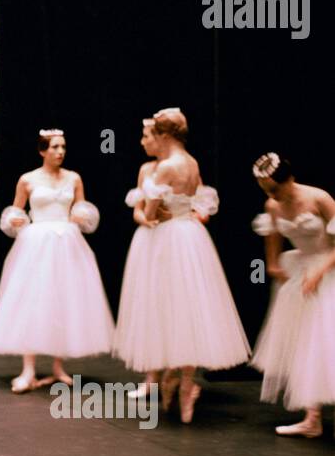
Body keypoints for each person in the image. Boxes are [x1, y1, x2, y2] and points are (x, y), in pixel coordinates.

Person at [114, 107, 248, 422]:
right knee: (188, 308)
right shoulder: (192, 163)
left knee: (166, 305)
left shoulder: (164, 169)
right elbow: (201, 201)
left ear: (164, 135)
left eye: (154, 135)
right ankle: (186, 384)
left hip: (166, 238)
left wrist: (153, 213)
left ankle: (172, 378)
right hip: (190, 235)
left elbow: (148, 214)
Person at [0, 129, 114, 392]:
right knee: (33, 298)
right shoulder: (28, 180)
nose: (60, 152)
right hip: (37, 242)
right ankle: (28, 369)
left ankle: (58, 366)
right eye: (54, 147)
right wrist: (16, 220)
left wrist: (81, 216)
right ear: (43, 150)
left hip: (67, 241)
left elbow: (82, 208)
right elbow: (15, 211)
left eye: (63, 147)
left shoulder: (74, 178)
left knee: (64, 299)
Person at [250, 152, 335, 438]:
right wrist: (274, 266)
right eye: (266, 191)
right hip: (301, 271)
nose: (273, 196)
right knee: (306, 342)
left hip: (327, 266)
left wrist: (320, 270)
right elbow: (272, 238)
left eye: (275, 189)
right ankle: (312, 418)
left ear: (290, 179)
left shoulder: (318, 198)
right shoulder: (273, 205)